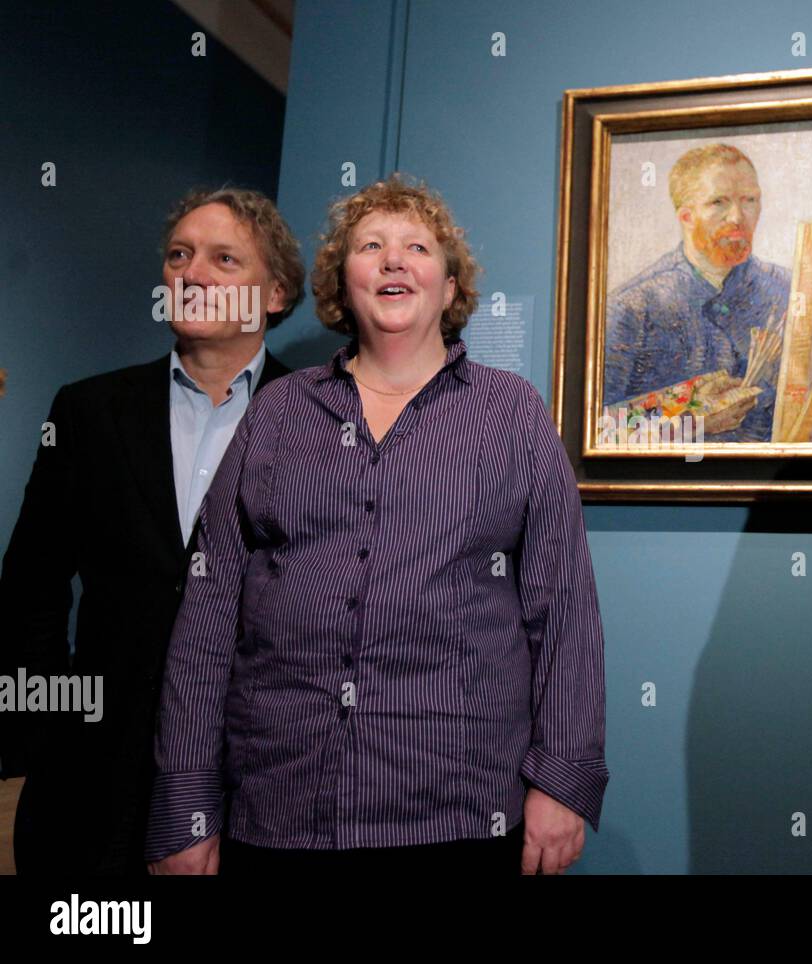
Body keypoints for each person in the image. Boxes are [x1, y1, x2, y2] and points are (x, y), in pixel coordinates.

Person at [145, 174, 608, 875]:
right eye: (371, 245)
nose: (393, 260)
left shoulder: (512, 414)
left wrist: (562, 780)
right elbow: (208, 619)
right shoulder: (275, 414)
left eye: (417, 246)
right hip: (280, 810)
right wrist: (186, 802)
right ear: (342, 281)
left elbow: (564, 610)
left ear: (450, 288)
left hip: (459, 811)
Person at [0, 187, 303, 874]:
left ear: (276, 292)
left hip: (249, 772)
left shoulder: (317, 422)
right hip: (90, 767)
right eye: (178, 255)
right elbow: (32, 584)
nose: (192, 274)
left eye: (224, 259)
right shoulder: (87, 410)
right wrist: (43, 728)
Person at [602, 144, 791, 442]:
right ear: (686, 216)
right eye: (719, 202)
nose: (738, 217)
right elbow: (598, 431)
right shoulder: (632, 307)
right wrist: (692, 420)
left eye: (750, 200)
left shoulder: (788, 290)